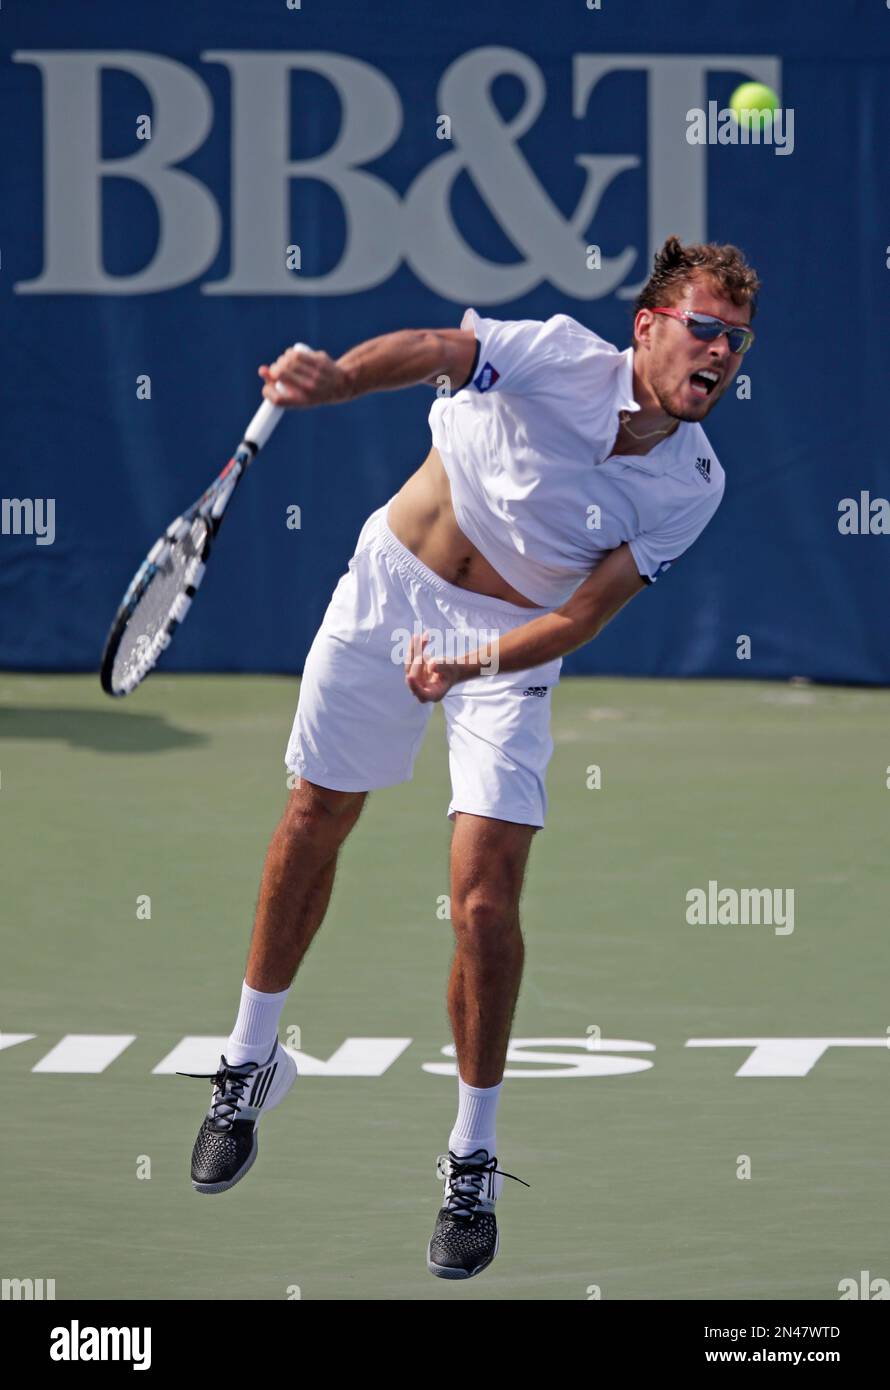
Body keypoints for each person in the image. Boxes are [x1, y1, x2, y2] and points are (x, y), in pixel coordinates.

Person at [184, 235, 760, 1280]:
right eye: (703, 330)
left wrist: (474, 657)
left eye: (735, 341)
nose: (719, 355)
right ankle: (248, 1061)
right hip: (385, 590)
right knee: (316, 813)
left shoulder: (692, 482)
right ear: (647, 327)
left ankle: (471, 1154)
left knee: (485, 906)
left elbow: (584, 614)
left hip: (505, 654)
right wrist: (338, 380)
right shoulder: (551, 355)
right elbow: (428, 347)